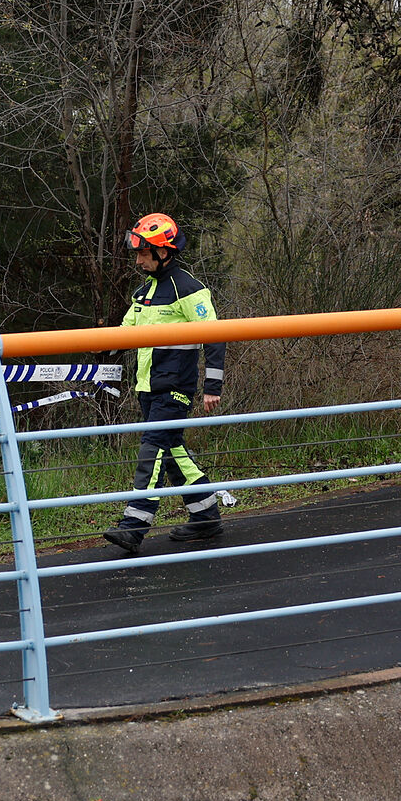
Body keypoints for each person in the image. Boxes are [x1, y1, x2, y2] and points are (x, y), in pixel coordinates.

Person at [104, 212, 225, 555]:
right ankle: (206, 516)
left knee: (152, 448)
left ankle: (134, 526)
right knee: (172, 452)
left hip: (174, 388)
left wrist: (212, 385)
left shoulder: (189, 289)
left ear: (164, 252)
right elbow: (125, 334)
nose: (139, 259)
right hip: (147, 388)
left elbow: (216, 337)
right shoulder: (144, 292)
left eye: (144, 253)